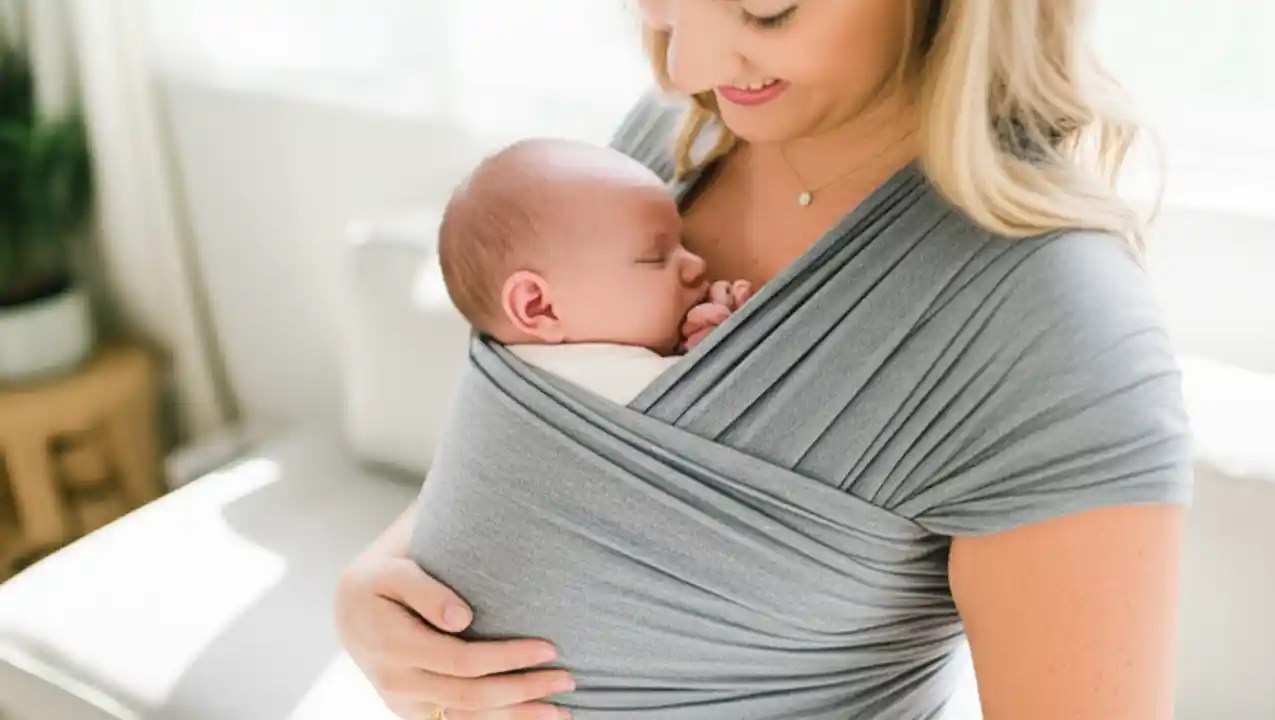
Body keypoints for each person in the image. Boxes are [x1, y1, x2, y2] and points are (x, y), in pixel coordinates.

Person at [335, 1, 1192, 718]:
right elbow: (561, 430)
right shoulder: (681, 135)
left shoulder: (1054, 329)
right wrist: (382, 584)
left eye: (765, 7)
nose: (684, 63)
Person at [436, 137, 752, 405]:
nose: (696, 263)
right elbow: (722, 400)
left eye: (681, 242)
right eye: (655, 257)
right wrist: (726, 339)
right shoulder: (589, 378)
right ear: (538, 306)